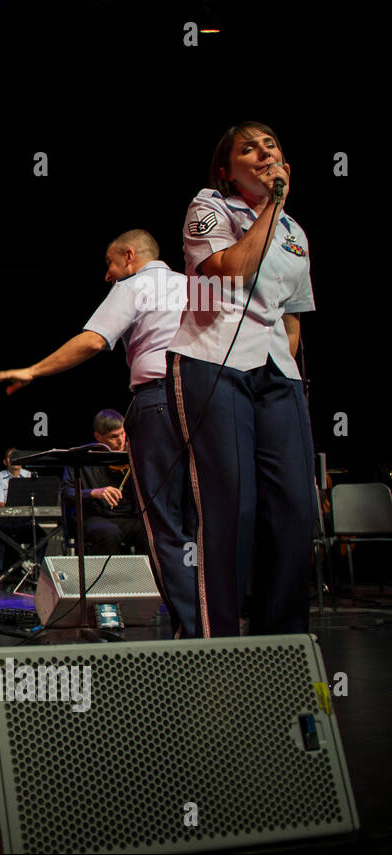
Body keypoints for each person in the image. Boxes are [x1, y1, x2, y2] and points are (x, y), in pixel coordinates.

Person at [0, 229, 197, 637]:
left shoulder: (135, 284)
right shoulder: (193, 285)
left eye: (110, 263)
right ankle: (212, 624)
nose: (107, 274)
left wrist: (32, 370)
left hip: (160, 401)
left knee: (163, 525)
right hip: (208, 402)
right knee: (196, 518)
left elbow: (94, 340)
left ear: (130, 257)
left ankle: (185, 629)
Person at [165, 121, 316, 637]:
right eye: (248, 149)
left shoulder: (295, 233)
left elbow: (293, 312)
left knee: (297, 511)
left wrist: (286, 374)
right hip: (212, 364)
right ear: (227, 171)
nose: (264, 153)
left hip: (276, 375)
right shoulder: (209, 206)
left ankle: (284, 643)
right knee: (232, 510)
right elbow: (233, 271)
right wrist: (272, 206)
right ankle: (219, 646)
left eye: (271, 144)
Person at [59, 411, 144, 556]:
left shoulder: (133, 455)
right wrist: (95, 493)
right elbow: (67, 493)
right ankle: (111, 578)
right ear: (98, 437)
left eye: (123, 434)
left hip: (127, 517)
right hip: (94, 518)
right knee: (108, 533)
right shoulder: (82, 457)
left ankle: (146, 578)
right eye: (114, 437)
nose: (121, 441)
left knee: (149, 532)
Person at [0, 447, 32, 574]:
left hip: (25, 522)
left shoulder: (30, 476)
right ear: (5, 462)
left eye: (17, 456)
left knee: (42, 536)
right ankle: (0, 574)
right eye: (11, 457)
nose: (15, 459)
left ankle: (35, 570)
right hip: (6, 523)